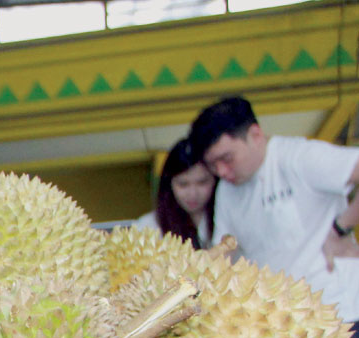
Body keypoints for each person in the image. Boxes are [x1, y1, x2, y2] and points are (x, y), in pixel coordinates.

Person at [190, 95, 359, 325]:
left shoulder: (299, 157)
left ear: (255, 135)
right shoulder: (227, 192)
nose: (220, 171)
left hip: (341, 313)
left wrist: (341, 227)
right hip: (280, 326)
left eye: (227, 158)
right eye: (212, 165)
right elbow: (225, 254)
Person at [133, 138, 216, 247]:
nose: (193, 194)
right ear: (169, 184)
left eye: (202, 183)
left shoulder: (229, 217)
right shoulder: (147, 227)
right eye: (183, 184)